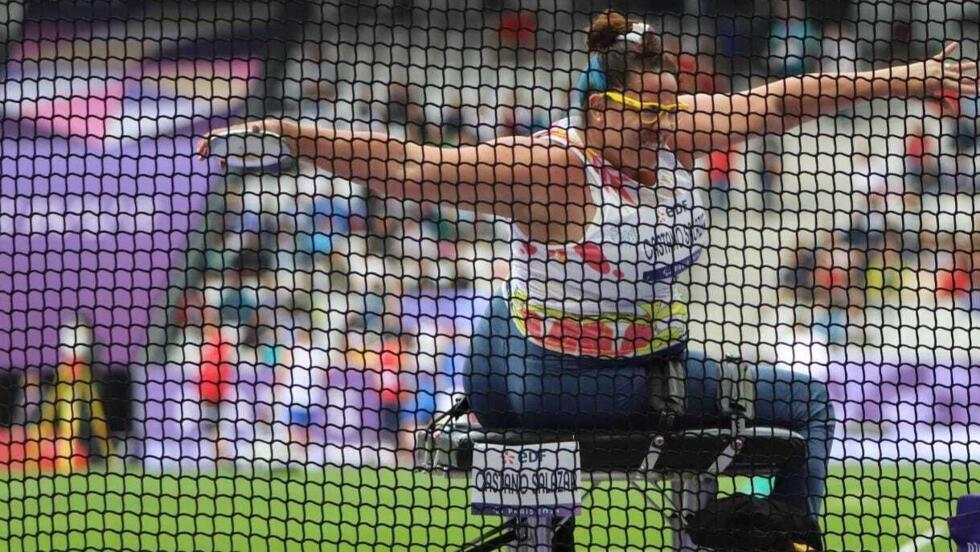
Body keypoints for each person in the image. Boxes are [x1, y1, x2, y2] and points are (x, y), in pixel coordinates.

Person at [197, 9, 978, 529]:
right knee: (806, 406)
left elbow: (781, 103)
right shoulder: (550, 167)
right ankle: (792, 545)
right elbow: (410, 168)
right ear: (598, 108)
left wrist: (906, 79)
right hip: (591, 376)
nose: (669, 121)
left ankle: (536, 512)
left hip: (514, 364)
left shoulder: (671, 136)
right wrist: (290, 133)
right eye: (650, 110)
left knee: (506, 314)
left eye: (674, 105)